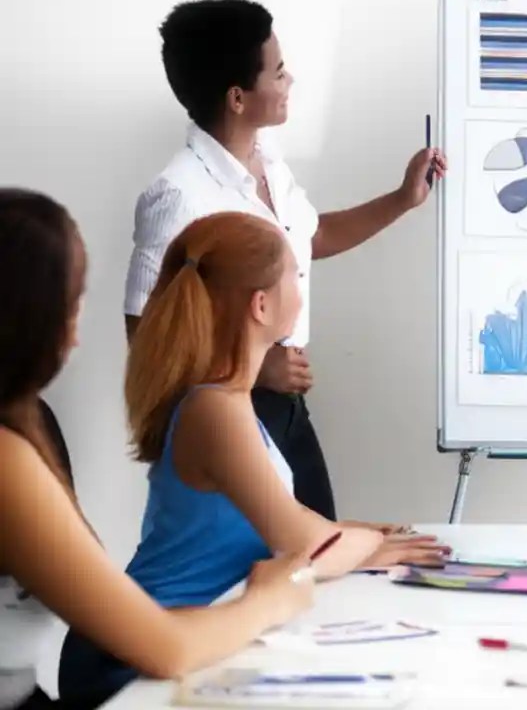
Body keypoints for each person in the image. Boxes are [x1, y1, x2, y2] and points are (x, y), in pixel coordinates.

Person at [61, 213, 445, 707]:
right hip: (133, 658)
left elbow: (297, 524)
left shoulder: (230, 403)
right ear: (261, 305)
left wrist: (371, 536)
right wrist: (368, 543)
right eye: (295, 277)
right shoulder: (214, 410)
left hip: (186, 636)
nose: (301, 292)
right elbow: (309, 546)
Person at [124, 0, 448, 521]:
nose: (290, 79)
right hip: (229, 415)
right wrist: (251, 368)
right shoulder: (178, 196)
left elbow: (310, 239)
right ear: (237, 97)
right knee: (271, 566)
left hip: (287, 408)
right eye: (277, 71)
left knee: (314, 563)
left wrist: (402, 199)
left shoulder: (268, 163)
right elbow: (144, 336)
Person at [0, 189, 314, 710]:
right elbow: (166, 647)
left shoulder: (28, 430)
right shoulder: (9, 459)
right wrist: (270, 600)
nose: (75, 339)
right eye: (71, 307)